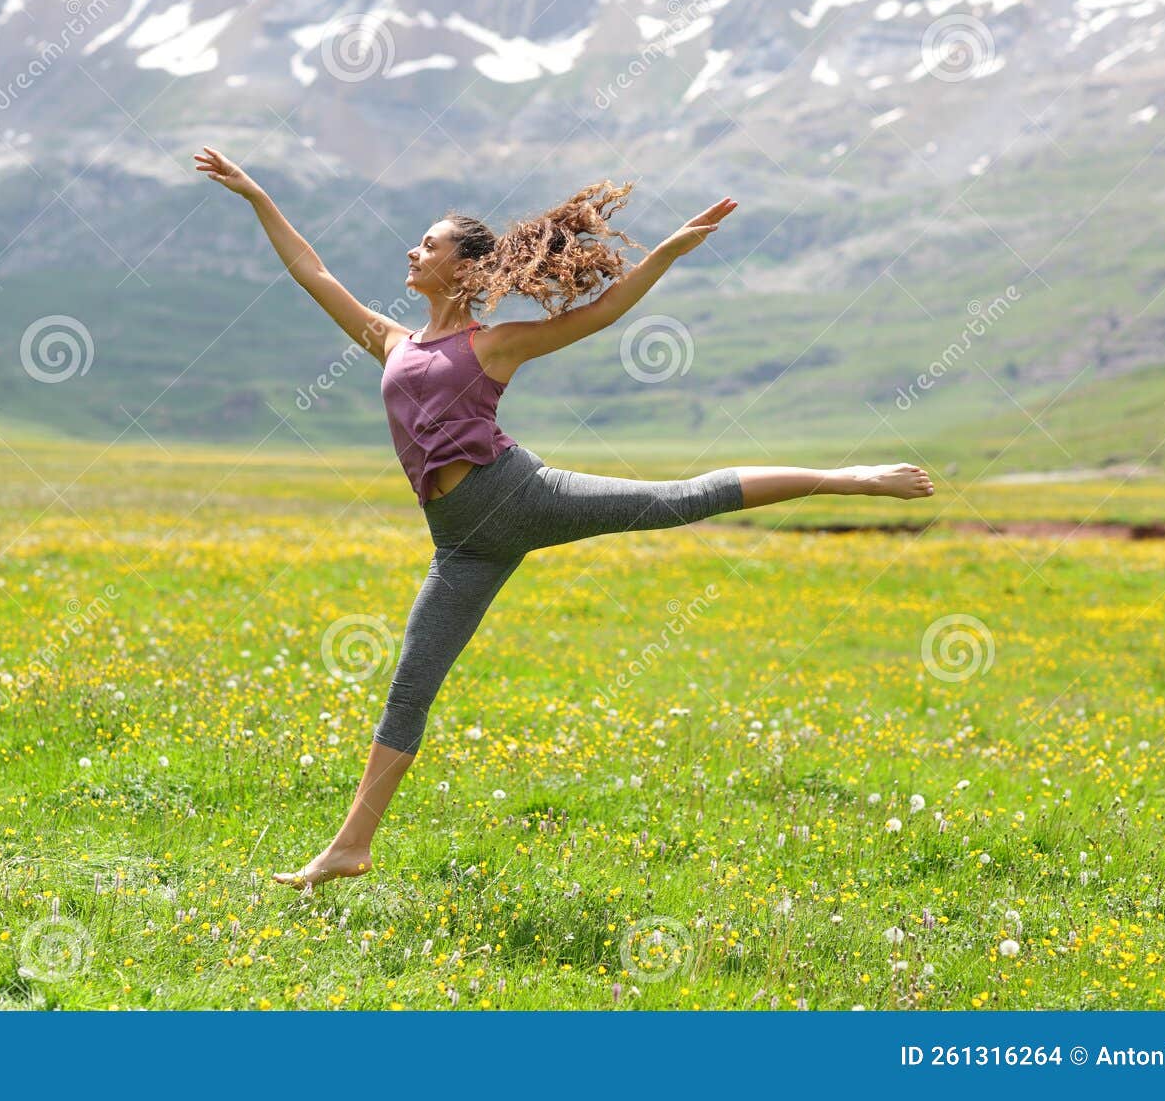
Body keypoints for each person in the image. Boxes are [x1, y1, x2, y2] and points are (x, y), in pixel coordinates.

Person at [192, 146, 935, 891]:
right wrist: (257, 194)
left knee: (677, 499)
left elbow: (603, 311)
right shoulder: (389, 339)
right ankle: (351, 847)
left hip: (519, 496)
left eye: (428, 244)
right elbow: (312, 272)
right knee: (410, 688)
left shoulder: (496, 345)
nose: (411, 251)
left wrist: (670, 249)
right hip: (459, 548)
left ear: (461, 268)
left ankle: (851, 476)